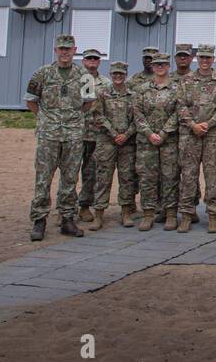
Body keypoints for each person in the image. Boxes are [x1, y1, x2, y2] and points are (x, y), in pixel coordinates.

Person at [25, 34, 94, 240]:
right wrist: (46, 119)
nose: (65, 52)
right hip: (49, 135)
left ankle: (67, 219)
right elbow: (31, 100)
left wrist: (72, 119)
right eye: (61, 49)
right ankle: (39, 220)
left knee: (70, 178)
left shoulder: (85, 76)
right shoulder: (42, 73)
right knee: (43, 178)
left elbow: (88, 102)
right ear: (55, 50)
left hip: (73, 134)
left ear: (75, 50)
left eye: (68, 49)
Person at [178, 45, 216, 233]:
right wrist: (193, 125)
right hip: (191, 136)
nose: (205, 61)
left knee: (213, 177)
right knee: (188, 177)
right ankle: (187, 215)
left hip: (213, 136)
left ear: (213, 59)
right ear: (196, 59)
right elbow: (180, 106)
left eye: (208, 58)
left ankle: (213, 215)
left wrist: (209, 123)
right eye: (202, 58)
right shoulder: (187, 80)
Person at [133, 52, 180, 232]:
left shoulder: (177, 88)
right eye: (157, 65)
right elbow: (137, 113)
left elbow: (178, 112)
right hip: (147, 142)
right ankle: (148, 214)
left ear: (168, 66)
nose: (160, 67)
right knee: (147, 178)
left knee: (170, 177)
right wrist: (149, 133)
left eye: (163, 64)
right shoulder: (142, 89)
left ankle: (170, 214)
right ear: (152, 67)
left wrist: (163, 133)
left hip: (168, 141)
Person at [91, 60, 136, 228]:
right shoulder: (102, 93)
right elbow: (98, 116)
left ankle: (125, 212)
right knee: (103, 177)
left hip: (127, 143)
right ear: (111, 75)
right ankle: (99, 214)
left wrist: (126, 134)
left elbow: (137, 119)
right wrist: (114, 133)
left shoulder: (133, 95)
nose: (118, 77)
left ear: (125, 76)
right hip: (107, 142)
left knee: (127, 178)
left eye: (121, 74)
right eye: (115, 74)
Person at [76, 47, 107, 228]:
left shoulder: (106, 83)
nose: (92, 61)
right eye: (89, 59)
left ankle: (84, 205)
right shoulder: (76, 80)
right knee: (69, 172)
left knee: (90, 173)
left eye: (95, 59)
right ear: (83, 61)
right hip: (76, 133)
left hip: (96, 135)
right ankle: (65, 208)